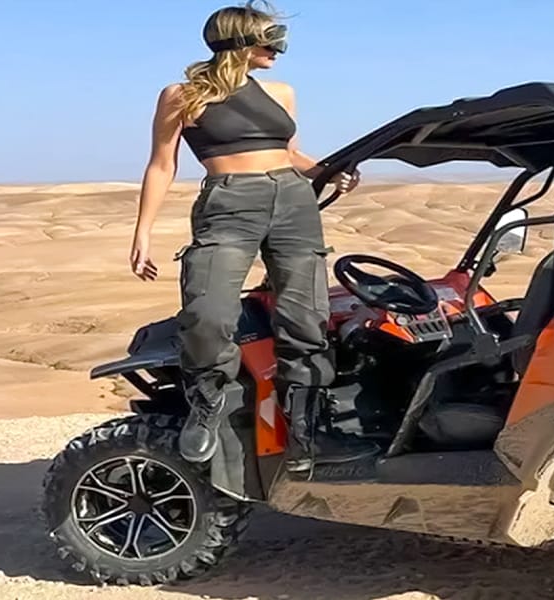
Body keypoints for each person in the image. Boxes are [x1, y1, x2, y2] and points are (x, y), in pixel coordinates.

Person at [129, 1, 378, 471]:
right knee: (207, 312)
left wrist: (329, 172)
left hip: (293, 202)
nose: (278, 50)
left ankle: (306, 433)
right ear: (238, 41)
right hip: (228, 203)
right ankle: (207, 404)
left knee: (305, 319)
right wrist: (143, 231)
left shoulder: (281, 92)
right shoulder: (181, 95)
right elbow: (162, 164)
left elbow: (288, 153)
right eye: (270, 39)